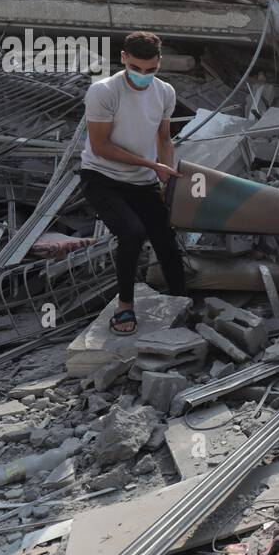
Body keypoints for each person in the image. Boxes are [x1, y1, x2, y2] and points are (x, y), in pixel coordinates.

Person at [79, 31, 187, 334]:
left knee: (166, 239)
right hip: (102, 178)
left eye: (150, 70)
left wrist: (168, 174)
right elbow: (101, 146)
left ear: (159, 63)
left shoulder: (165, 92)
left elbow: (164, 138)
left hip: (143, 181)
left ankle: (182, 300)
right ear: (124, 58)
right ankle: (125, 306)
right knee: (132, 233)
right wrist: (151, 164)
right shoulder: (104, 92)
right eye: (136, 68)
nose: (143, 75)